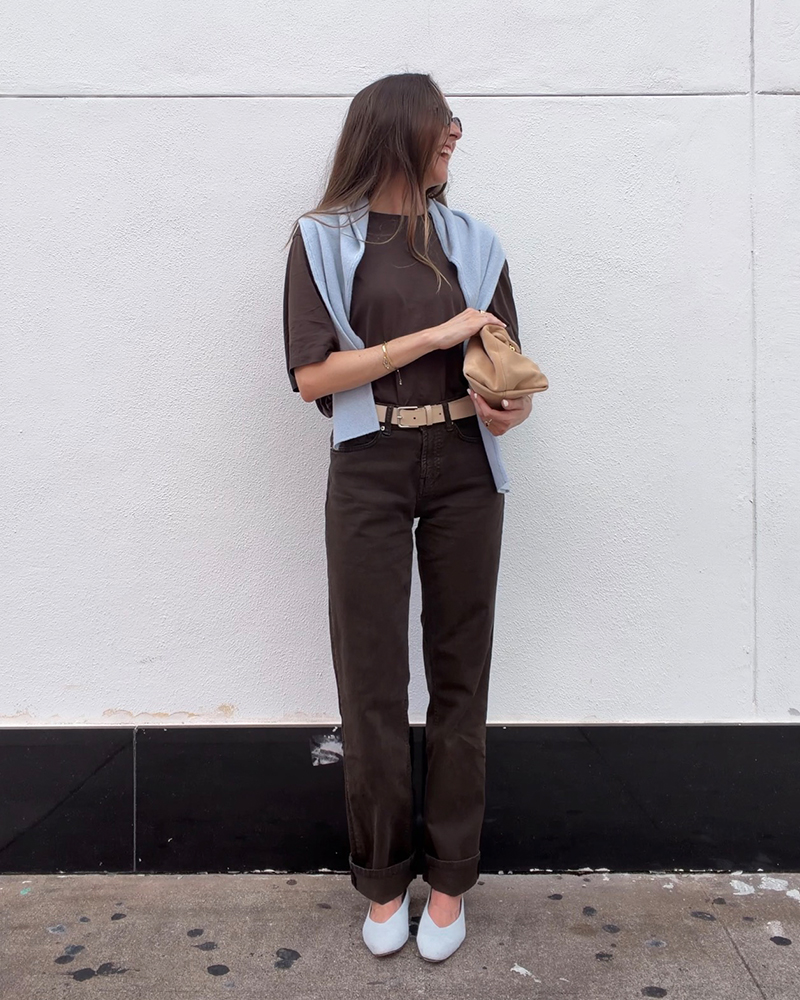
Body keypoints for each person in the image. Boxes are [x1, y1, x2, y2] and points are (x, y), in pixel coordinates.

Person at [282, 72, 534, 962]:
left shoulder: (475, 238)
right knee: (372, 681)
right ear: (395, 130)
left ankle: (451, 882)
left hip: (468, 467)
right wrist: (427, 340)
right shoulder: (320, 240)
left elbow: (511, 370)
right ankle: (384, 882)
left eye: (458, 122)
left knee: (461, 676)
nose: (456, 136)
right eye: (444, 122)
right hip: (370, 467)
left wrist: (510, 407)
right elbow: (313, 376)